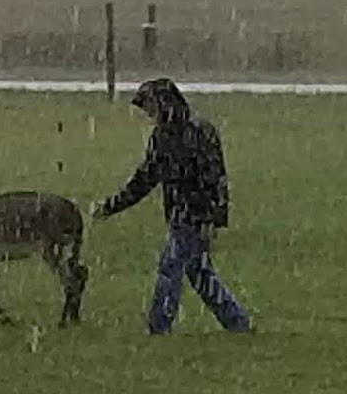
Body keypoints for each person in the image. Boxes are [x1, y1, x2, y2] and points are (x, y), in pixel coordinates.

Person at [91, 78, 253, 335]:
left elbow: (215, 178)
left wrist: (213, 218)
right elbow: (145, 179)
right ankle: (237, 322)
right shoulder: (164, 136)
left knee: (171, 267)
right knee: (199, 273)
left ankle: (159, 326)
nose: (149, 114)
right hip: (182, 213)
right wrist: (111, 206)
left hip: (195, 214)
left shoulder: (198, 132)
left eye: (150, 107)